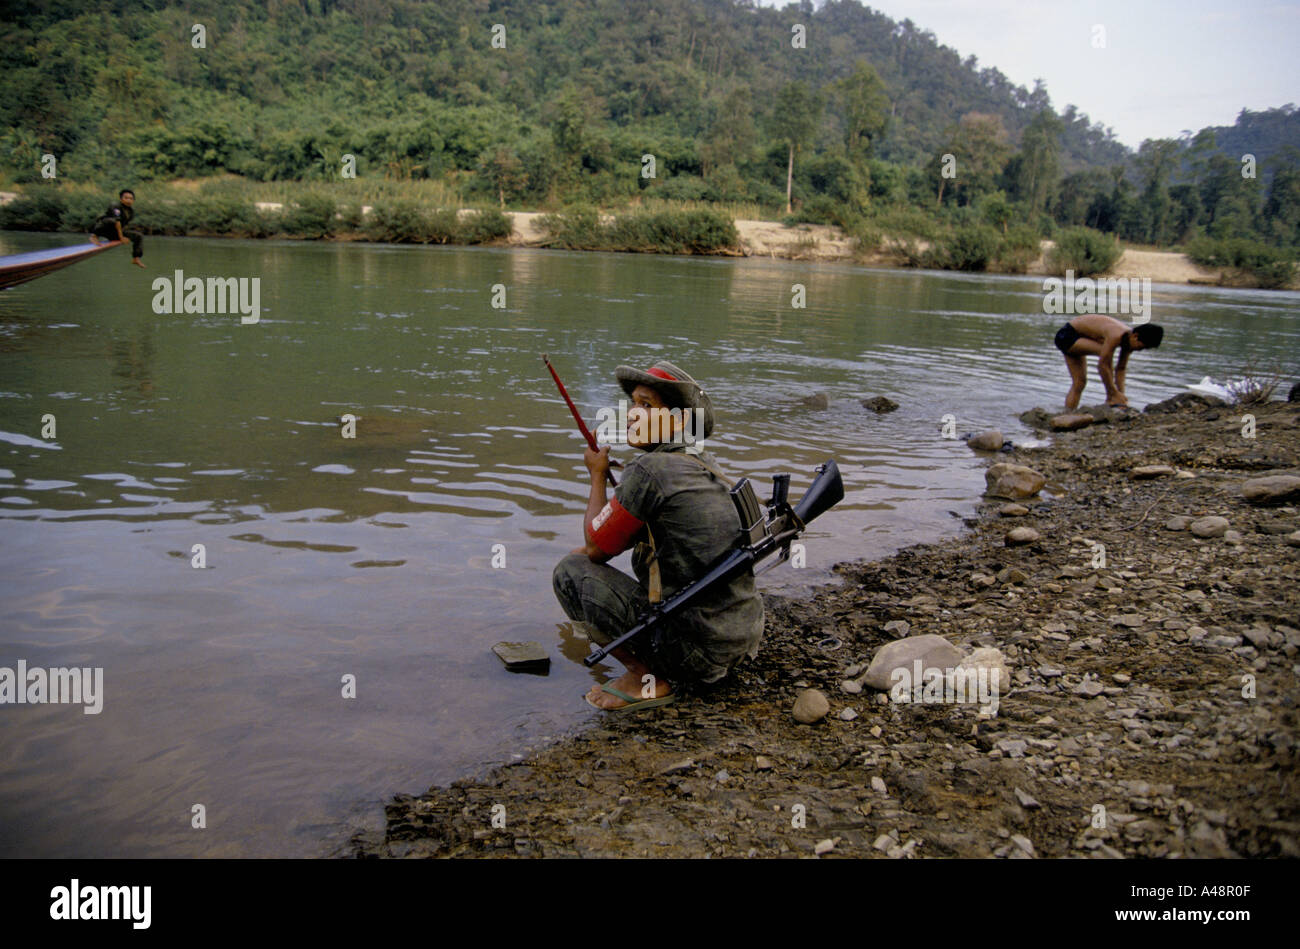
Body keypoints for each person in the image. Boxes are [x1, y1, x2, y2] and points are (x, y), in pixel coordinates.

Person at [552, 360, 764, 711]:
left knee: (569, 572)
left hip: (696, 655)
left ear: (679, 421)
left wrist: (596, 476)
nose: (633, 414)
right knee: (581, 559)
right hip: (739, 641)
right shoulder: (702, 463)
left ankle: (646, 677)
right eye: (633, 404)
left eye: (647, 406)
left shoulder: (650, 470)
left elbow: (595, 548)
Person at [1054, 314, 1163, 410]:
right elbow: (1102, 365)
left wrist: (1121, 396)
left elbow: (1121, 369)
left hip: (1080, 338)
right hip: (1066, 335)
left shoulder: (1129, 341)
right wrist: (1113, 392)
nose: (1138, 350)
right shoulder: (1116, 335)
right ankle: (1110, 397)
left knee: (1079, 383)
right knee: (1105, 354)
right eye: (1140, 347)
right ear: (1135, 336)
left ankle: (1067, 413)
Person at [91, 189, 145, 268]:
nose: (128, 200)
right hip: (104, 229)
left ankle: (136, 258)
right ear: (121, 199)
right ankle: (94, 236)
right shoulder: (115, 206)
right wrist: (121, 237)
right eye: (126, 198)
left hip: (115, 232)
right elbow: (117, 222)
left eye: (131, 198)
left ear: (133, 200)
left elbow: (123, 225)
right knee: (112, 221)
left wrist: (127, 236)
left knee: (138, 236)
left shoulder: (131, 211)